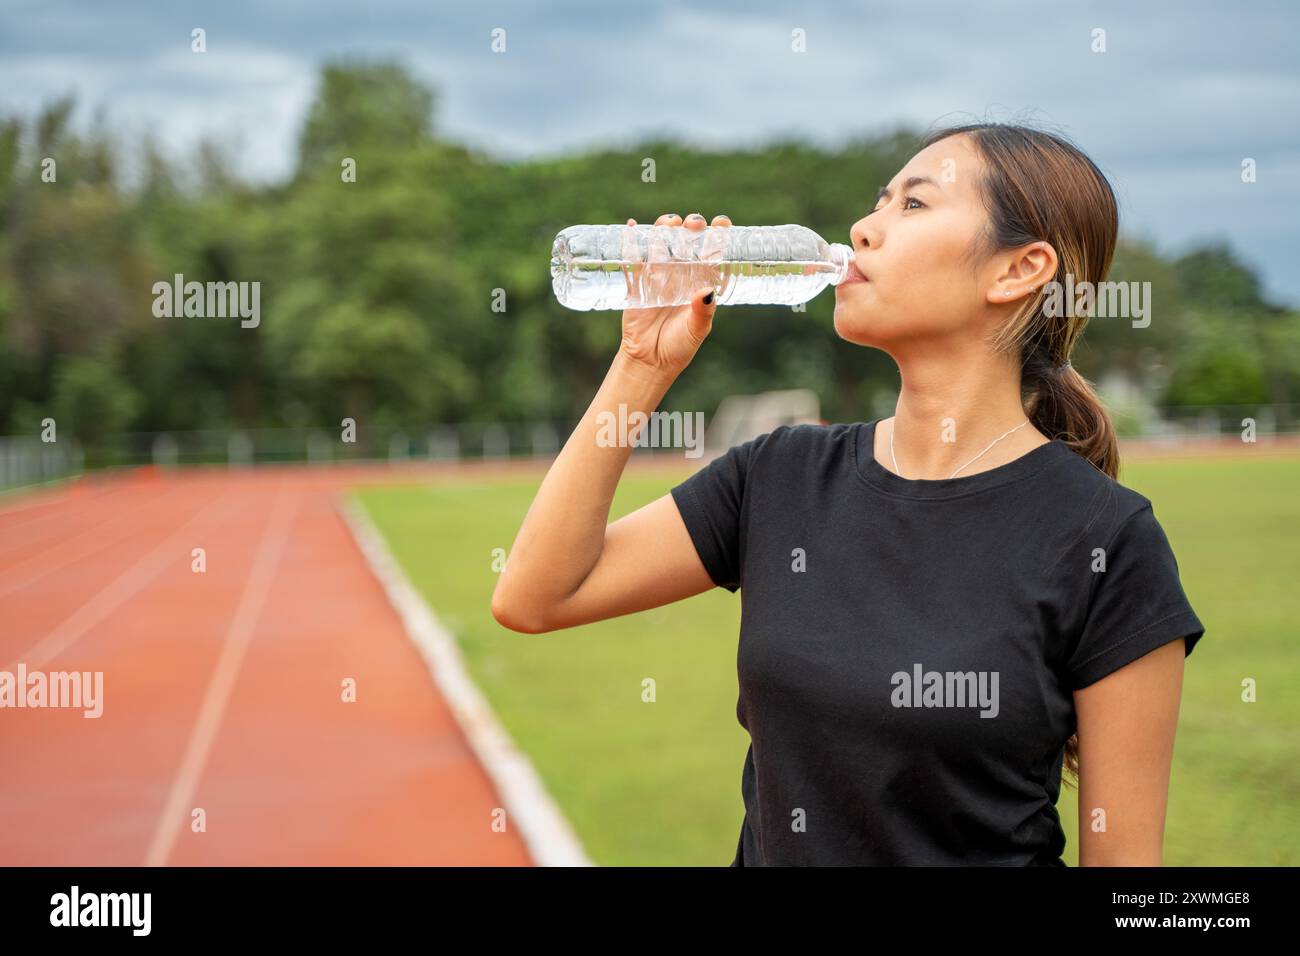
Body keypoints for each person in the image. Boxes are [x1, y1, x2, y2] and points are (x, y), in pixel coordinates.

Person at [491, 121, 1206, 866]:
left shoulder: (1107, 539)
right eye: (878, 201)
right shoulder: (779, 474)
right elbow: (536, 596)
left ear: (1017, 270)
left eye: (915, 205)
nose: (864, 228)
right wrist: (641, 363)